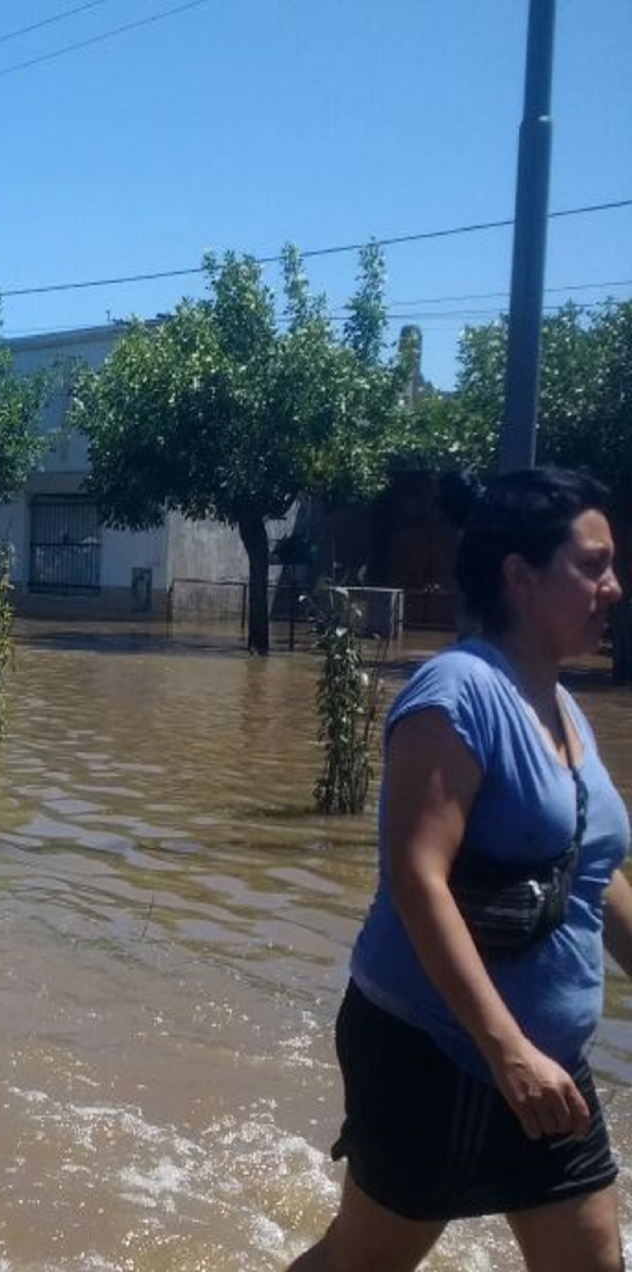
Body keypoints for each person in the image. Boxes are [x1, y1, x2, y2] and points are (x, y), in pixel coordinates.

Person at [290, 468, 629, 1272]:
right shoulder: (457, 693)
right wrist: (506, 1048)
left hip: (551, 1075)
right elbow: (418, 880)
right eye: (592, 565)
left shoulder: (560, 702)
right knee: (362, 1264)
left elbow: (595, 874)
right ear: (520, 574)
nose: (613, 587)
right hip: (437, 1051)